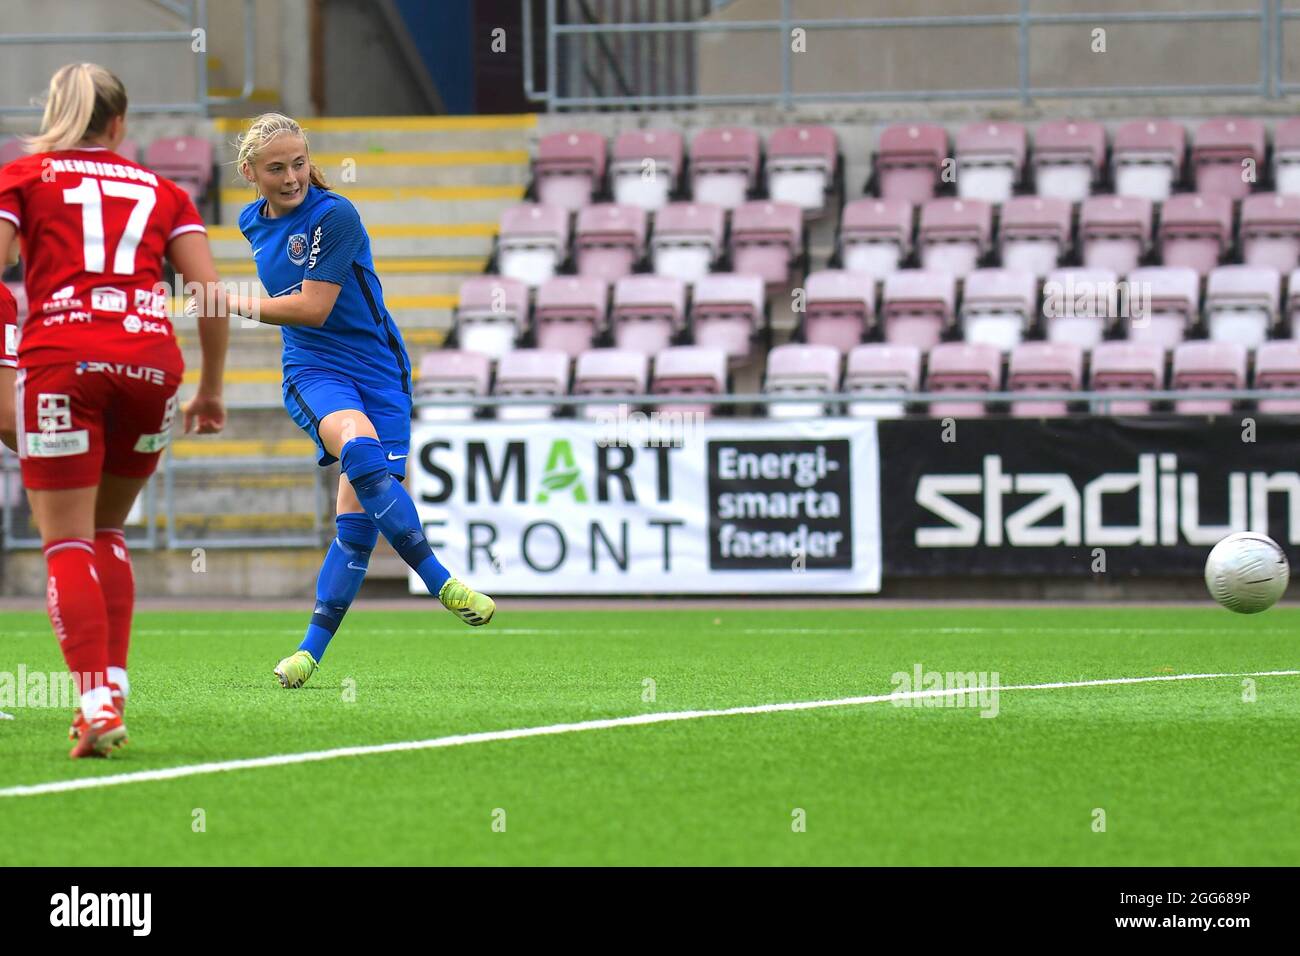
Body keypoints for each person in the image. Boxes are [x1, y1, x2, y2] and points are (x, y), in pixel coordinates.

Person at [0, 63, 229, 757]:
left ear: (55, 113)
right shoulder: (164, 190)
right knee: (109, 531)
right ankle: (113, 692)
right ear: (121, 123)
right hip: (151, 368)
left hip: (63, 363)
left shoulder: (25, 177)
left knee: (67, 540)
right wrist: (211, 388)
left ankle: (95, 702)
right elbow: (210, 294)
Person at [227, 112, 495, 691]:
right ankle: (441, 581)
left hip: (378, 369)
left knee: (356, 526)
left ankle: (308, 653)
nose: (292, 176)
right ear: (250, 172)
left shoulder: (336, 214)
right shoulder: (252, 220)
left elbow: (313, 306)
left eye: (299, 162)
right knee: (355, 442)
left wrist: (232, 300)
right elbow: (304, 323)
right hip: (315, 369)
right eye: (276, 168)